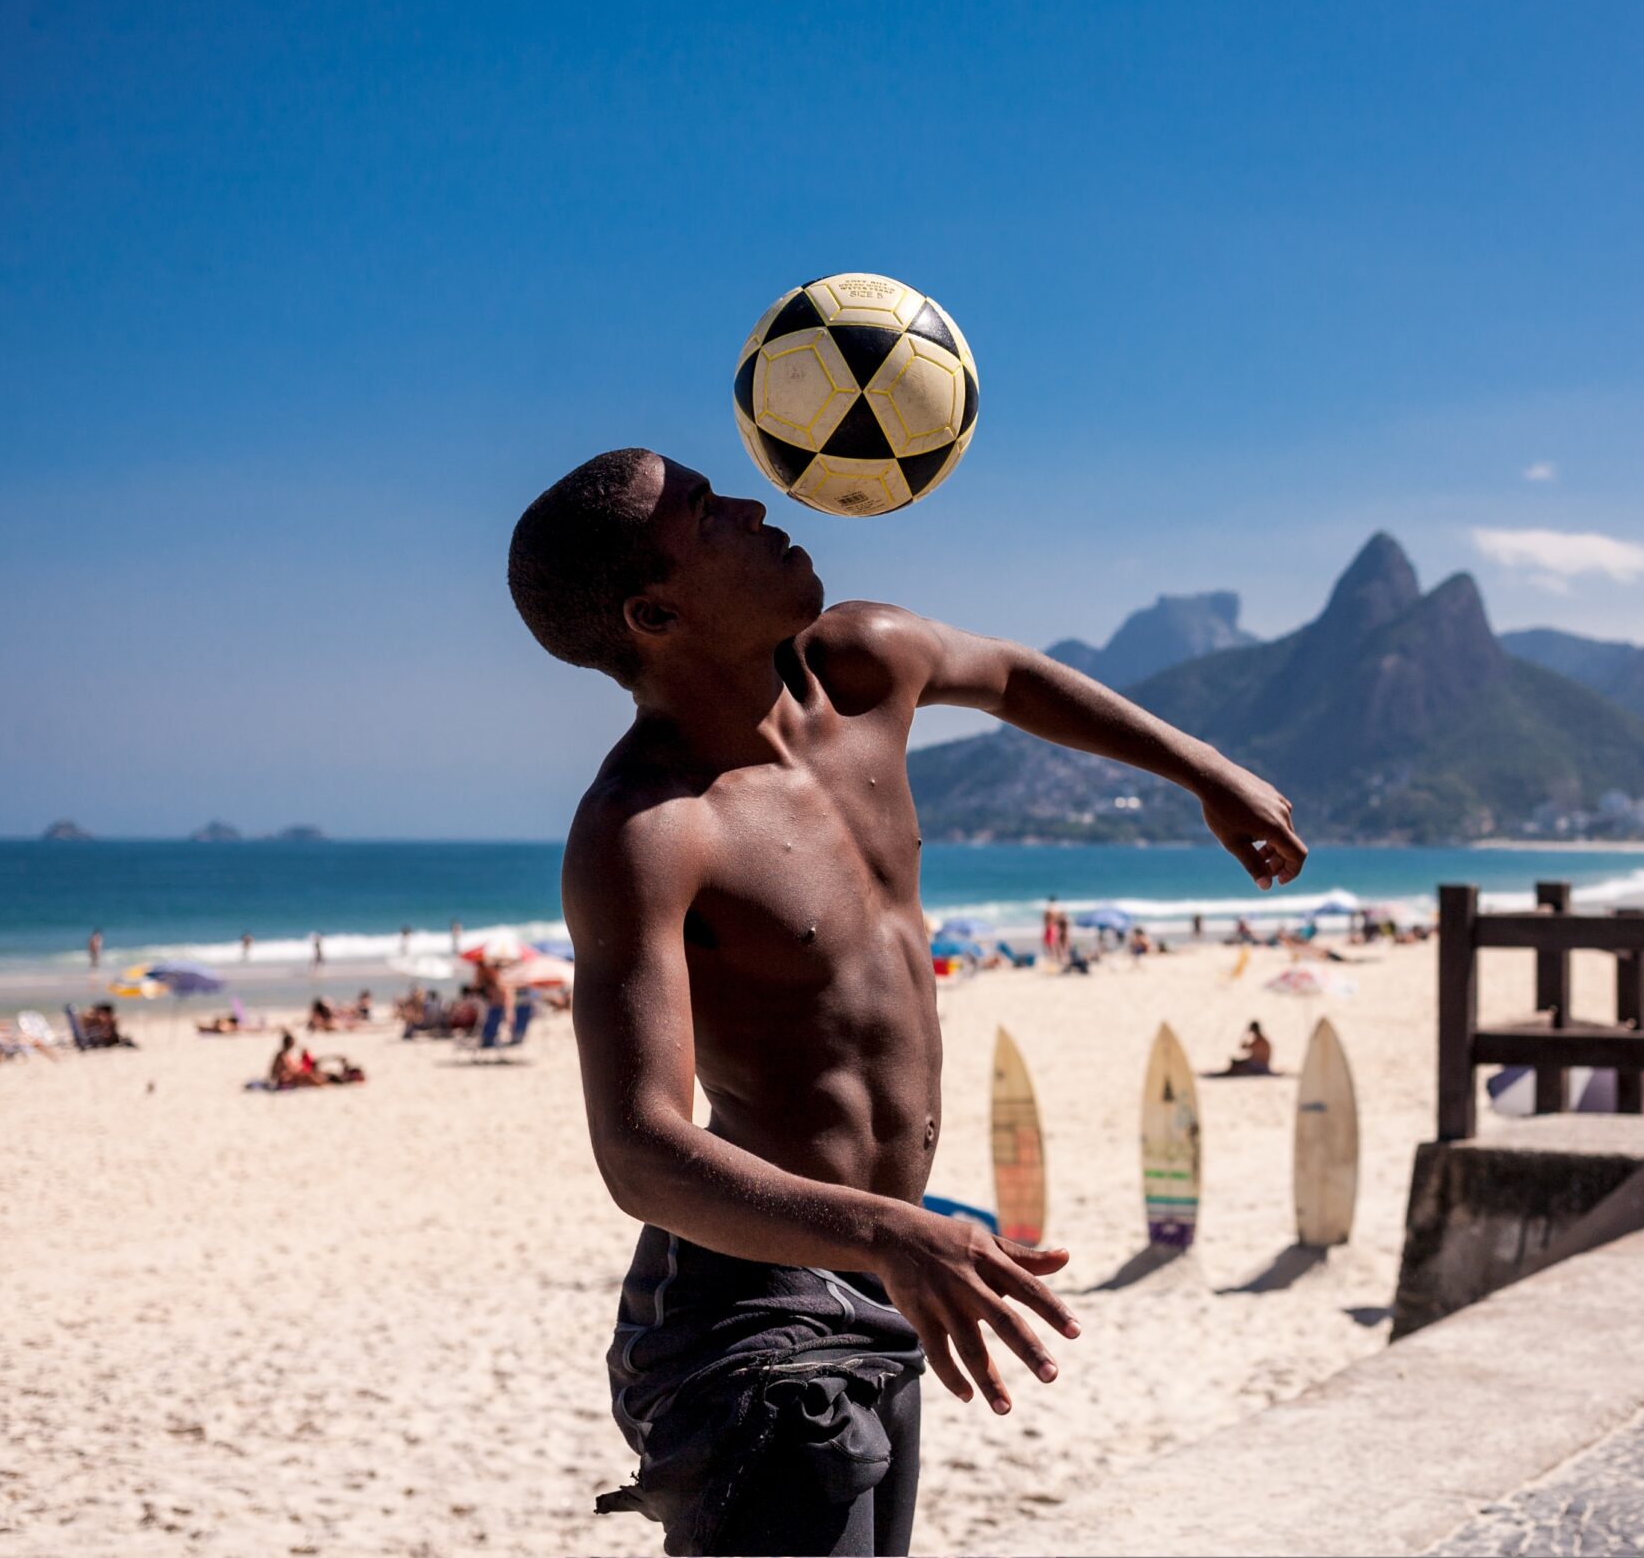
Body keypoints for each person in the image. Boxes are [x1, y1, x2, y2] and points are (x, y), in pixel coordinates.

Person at [508, 450, 1304, 1556]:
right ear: (655, 611)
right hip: (752, 1306)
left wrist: (1203, 769)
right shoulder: (650, 831)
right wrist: (891, 1233)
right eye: (708, 514)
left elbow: (1014, 677)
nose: (757, 506)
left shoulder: (864, 665)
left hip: (885, 1268)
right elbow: (639, 1151)